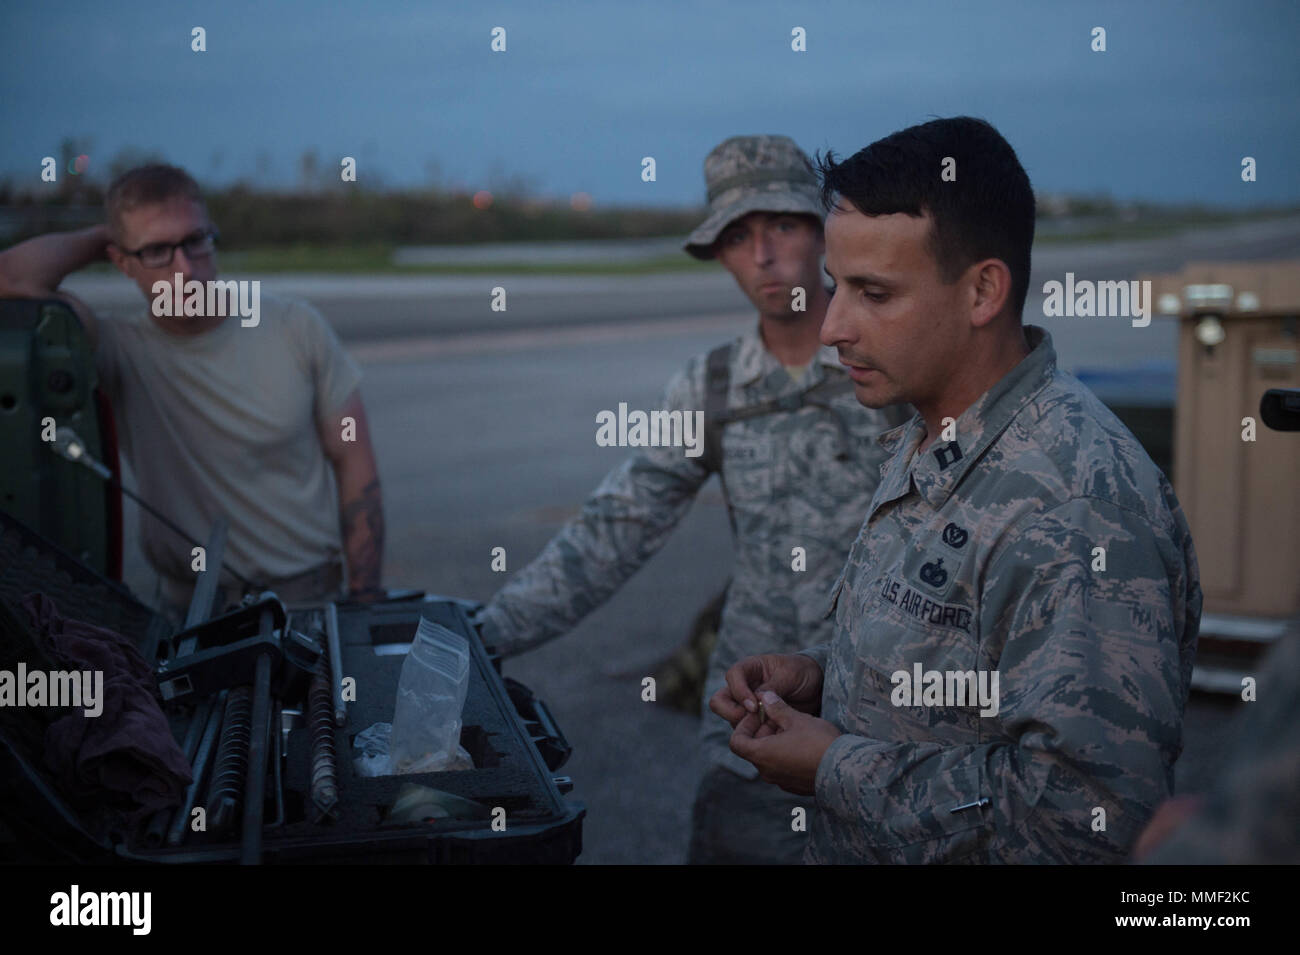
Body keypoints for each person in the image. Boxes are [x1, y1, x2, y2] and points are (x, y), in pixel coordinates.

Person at [713, 117, 1202, 864]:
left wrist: (835, 765)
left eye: (874, 293)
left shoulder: (1076, 507)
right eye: (835, 287)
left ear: (982, 291)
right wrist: (822, 677)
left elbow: (1085, 819)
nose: (833, 326)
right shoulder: (940, 426)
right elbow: (968, 664)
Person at [476, 135, 909, 864]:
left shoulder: (896, 366)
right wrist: (485, 635)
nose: (764, 256)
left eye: (783, 225)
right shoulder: (711, 389)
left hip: (891, 736)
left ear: (825, 229)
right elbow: (619, 525)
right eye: (738, 237)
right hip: (756, 728)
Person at [0, 164, 384, 623]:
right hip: (190, 610)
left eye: (195, 241)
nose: (185, 269)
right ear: (121, 262)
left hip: (305, 597)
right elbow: (12, 279)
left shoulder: (294, 327)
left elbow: (354, 462)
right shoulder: (121, 349)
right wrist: (111, 233)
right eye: (158, 251)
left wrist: (364, 598)